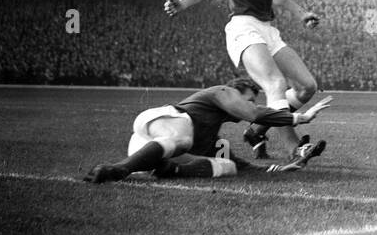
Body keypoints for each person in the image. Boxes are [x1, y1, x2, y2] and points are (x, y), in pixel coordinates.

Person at [163, 0, 326, 158]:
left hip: (268, 30)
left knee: (307, 86)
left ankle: (257, 131)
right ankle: (295, 148)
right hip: (243, 28)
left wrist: (301, 13)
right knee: (276, 83)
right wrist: (182, 2)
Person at [82, 78, 328, 183]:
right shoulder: (222, 91)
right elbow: (253, 114)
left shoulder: (212, 136)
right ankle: (118, 168)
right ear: (236, 91)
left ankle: (167, 169)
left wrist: (283, 169)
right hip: (164, 119)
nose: (251, 105)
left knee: (227, 167)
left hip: (147, 145)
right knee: (181, 139)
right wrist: (299, 117)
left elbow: (244, 167)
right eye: (250, 98)